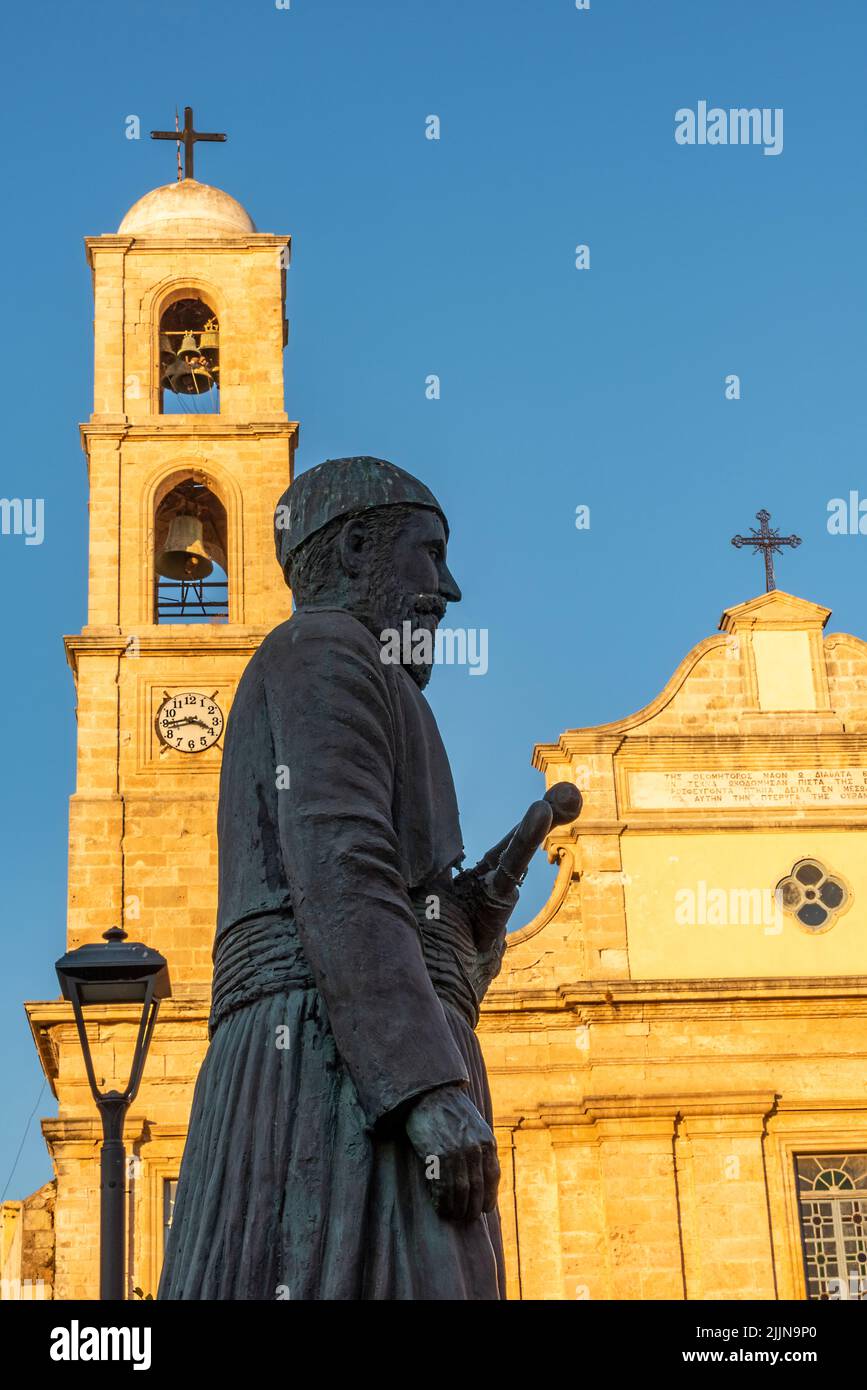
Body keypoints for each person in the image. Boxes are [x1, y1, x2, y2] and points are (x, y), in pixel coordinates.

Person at [159, 456, 520, 1300]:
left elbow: (374, 884)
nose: (450, 588)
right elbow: (339, 868)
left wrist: (468, 920)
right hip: (341, 1065)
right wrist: (426, 1086)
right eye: (429, 555)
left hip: (371, 1054)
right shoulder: (320, 648)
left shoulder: (379, 681)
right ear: (358, 548)